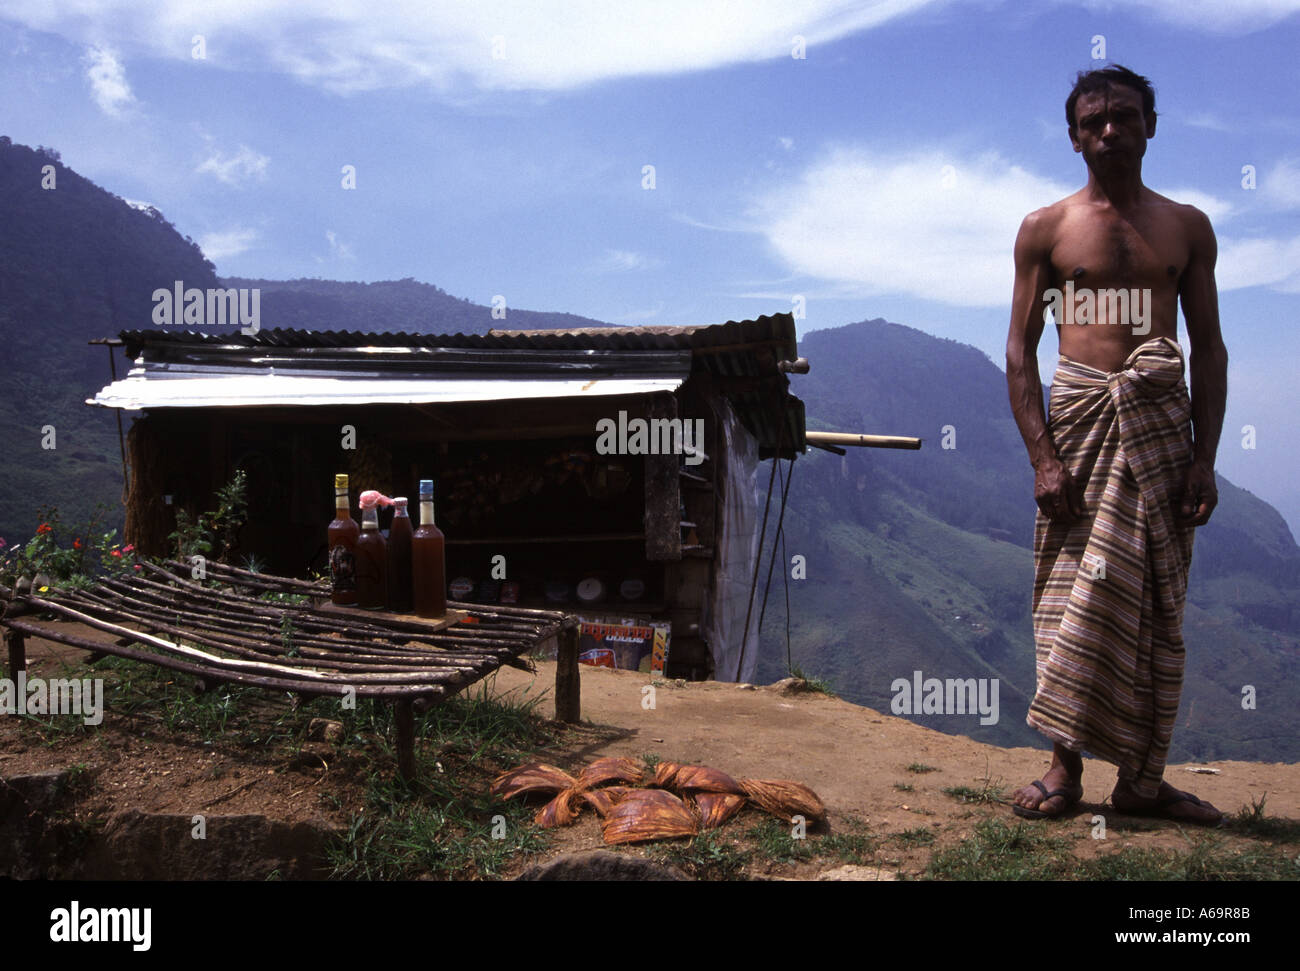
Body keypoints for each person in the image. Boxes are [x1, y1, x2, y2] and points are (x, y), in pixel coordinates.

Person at [1004, 65, 1228, 825]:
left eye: (1124, 117)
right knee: (1068, 593)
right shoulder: (1046, 229)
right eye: (1094, 121)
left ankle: (1141, 779)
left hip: (1161, 425)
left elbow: (1211, 348)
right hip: (1079, 427)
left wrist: (1205, 455)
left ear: (1150, 127)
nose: (1109, 130)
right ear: (1073, 137)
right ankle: (1063, 769)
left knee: (1156, 602)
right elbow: (1018, 351)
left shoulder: (1187, 226)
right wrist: (1042, 455)